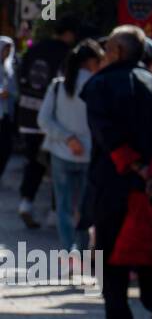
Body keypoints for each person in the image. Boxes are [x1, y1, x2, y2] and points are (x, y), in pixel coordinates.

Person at [82, 25, 152, 319]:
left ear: (119, 52)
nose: (104, 55)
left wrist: (136, 167)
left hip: (113, 186)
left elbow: (106, 135)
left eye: (108, 49)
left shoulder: (97, 86)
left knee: (112, 265)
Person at [36, 39, 103, 254]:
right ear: (92, 61)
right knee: (85, 209)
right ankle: (82, 251)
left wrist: (67, 138)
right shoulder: (99, 85)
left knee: (63, 208)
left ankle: (68, 251)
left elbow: (43, 120)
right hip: (91, 155)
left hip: (61, 153)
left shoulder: (58, 86)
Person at [16, 16, 78, 227]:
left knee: (33, 162)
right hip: (53, 118)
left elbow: (20, 76)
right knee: (56, 165)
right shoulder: (66, 54)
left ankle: (26, 202)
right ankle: (54, 211)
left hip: (27, 116)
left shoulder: (34, 49)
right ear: (68, 34)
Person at [0, 36, 16, 181]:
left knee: (6, 148)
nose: (7, 52)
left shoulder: (10, 68)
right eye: (5, 49)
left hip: (6, 115)